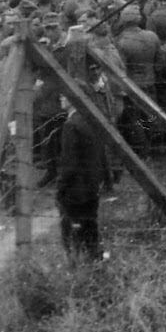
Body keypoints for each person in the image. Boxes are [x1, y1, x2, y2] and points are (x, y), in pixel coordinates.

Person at [56, 85, 108, 261]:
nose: (61, 98)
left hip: (75, 190)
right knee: (90, 228)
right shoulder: (91, 120)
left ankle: (74, 265)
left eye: (64, 95)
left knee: (72, 230)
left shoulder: (71, 125)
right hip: (91, 186)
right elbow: (102, 154)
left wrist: (60, 187)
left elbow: (68, 163)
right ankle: (94, 261)